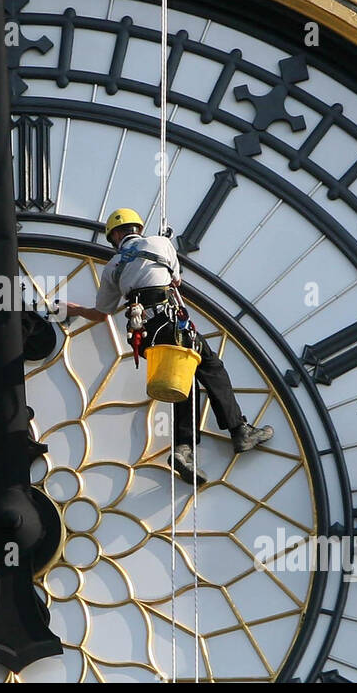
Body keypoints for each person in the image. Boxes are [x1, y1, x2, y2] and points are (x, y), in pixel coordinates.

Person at [59, 208, 273, 485]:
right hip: (170, 321)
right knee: (211, 366)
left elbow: (101, 313)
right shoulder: (160, 243)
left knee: (182, 381)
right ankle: (239, 431)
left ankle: (184, 449)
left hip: (145, 332)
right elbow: (176, 281)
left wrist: (72, 308)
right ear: (138, 227)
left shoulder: (113, 266)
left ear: (114, 237)